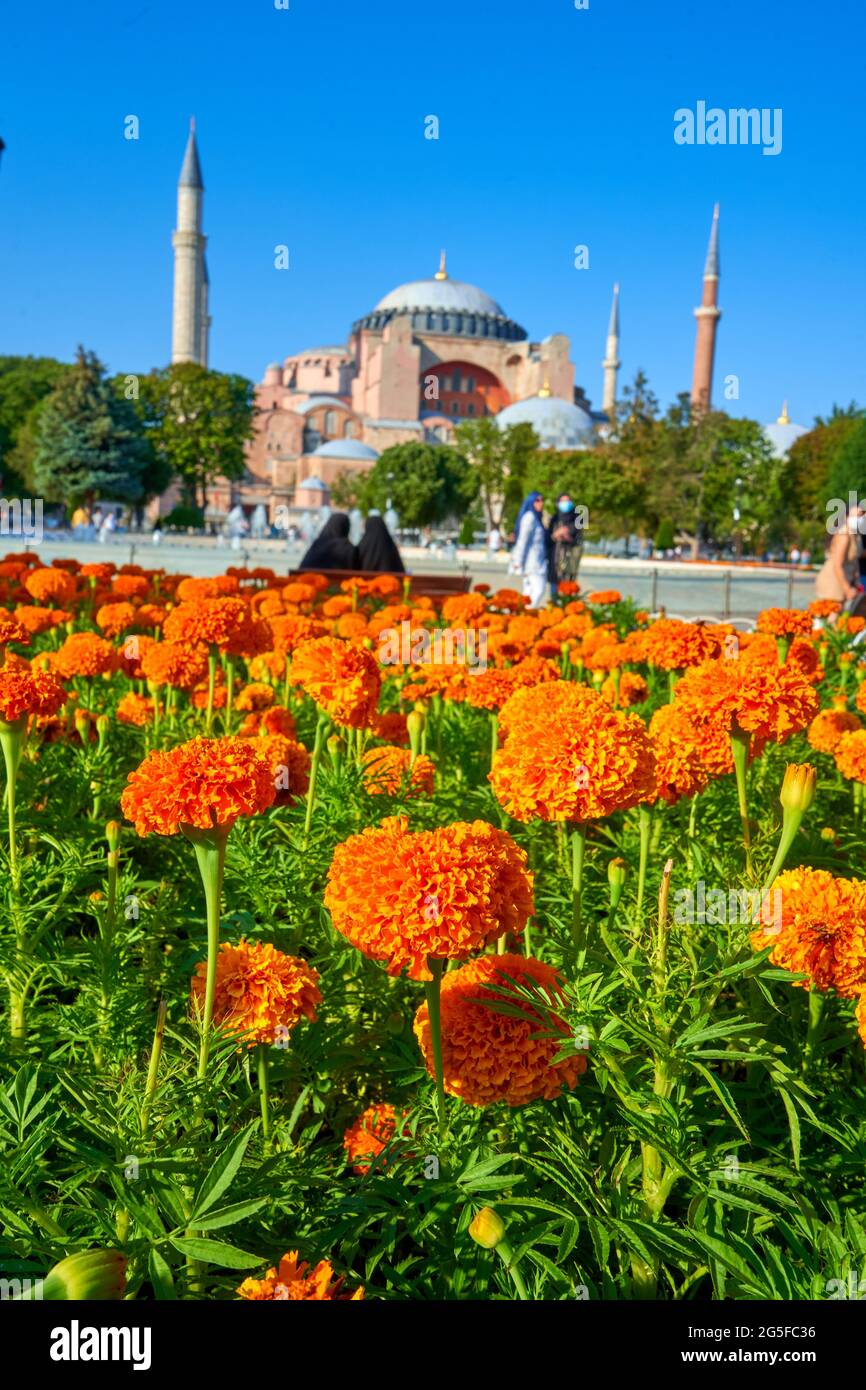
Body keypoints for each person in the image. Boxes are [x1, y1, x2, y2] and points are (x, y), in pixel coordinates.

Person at [816, 505, 866, 612]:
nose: (860, 518)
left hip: (844, 581)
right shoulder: (844, 535)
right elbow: (837, 565)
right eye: (856, 515)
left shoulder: (855, 535)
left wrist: (856, 583)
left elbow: (855, 561)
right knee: (831, 619)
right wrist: (847, 589)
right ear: (846, 517)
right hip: (833, 583)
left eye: (861, 515)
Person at [510, 491, 548, 609]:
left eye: (542, 500)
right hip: (532, 563)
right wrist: (518, 561)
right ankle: (526, 613)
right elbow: (522, 541)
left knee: (528, 592)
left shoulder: (537, 518)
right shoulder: (529, 518)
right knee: (539, 589)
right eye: (537, 500)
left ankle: (520, 615)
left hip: (536, 561)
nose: (541, 503)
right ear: (530, 502)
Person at [547, 493, 583, 596]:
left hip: (570, 558)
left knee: (568, 587)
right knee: (554, 585)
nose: (565, 503)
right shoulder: (554, 518)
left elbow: (579, 538)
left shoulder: (577, 518)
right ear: (558, 503)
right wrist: (555, 535)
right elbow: (548, 538)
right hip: (555, 557)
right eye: (563, 501)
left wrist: (568, 536)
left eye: (568, 501)